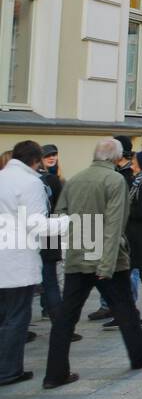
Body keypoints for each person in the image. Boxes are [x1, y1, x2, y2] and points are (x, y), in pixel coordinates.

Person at [45, 137, 142, 389]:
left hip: (78, 256)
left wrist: (76, 239)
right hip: (107, 259)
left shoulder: (75, 180)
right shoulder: (115, 180)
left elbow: (59, 216)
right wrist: (106, 265)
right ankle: (140, 355)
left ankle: (54, 374)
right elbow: (114, 224)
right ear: (116, 158)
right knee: (125, 311)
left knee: (66, 318)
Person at [0, 141, 69, 386]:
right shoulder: (30, 183)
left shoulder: (2, 177)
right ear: (36, 160)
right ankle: (9, 370)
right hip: (17, 260)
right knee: (17, 317)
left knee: (3, 316)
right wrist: (67, 222)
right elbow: (37, 225)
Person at [104, 150, 142, 329]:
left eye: (135, 161)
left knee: (129, 275)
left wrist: (123, 209)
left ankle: (135, 314)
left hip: (140, 238)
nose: (133, 163)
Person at [88, 135, 139, 321]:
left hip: (121, 233)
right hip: (109, 232)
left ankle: (124, 308)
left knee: (125, 271)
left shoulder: (123, 177)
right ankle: (114, 307)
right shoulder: (117, 175)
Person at [37, 144, 64, 320]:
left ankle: (47, 307)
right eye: (48, 156)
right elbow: (60, 208)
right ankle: (55, 315)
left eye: (54, 154)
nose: (52, 158)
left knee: (47, 274)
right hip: (49, 231)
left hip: (43, 232)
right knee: (50, 277)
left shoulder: (54, 178)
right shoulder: (52, 180)